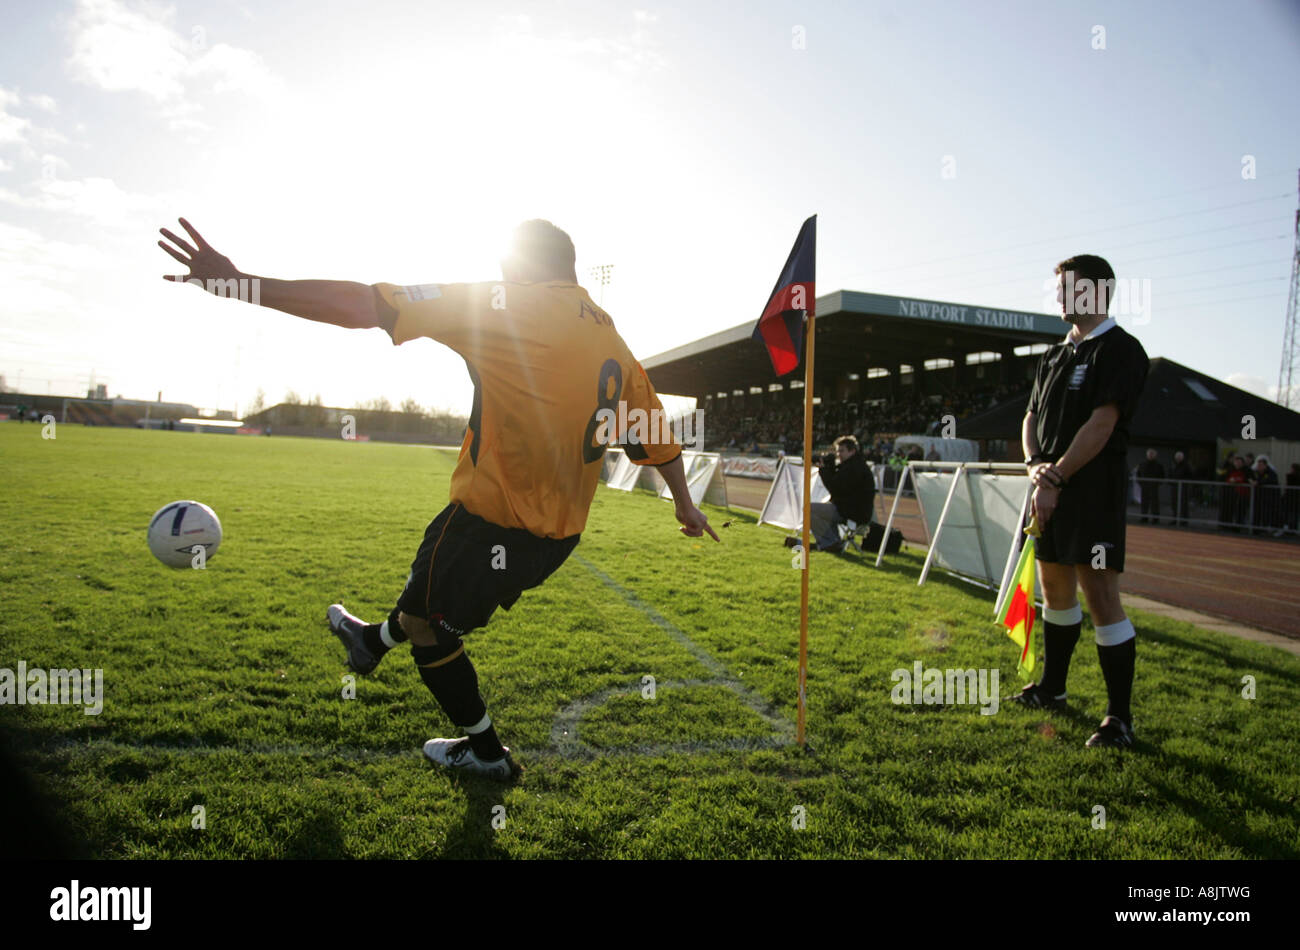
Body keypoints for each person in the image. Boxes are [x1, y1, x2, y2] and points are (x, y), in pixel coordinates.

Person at [158, 216, 719, 780]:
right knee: (426, 597)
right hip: (559, 535)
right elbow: (654, 432)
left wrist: (241, 283)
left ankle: (486, 753)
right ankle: (370, 643)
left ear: (517, 269)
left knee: (430, 626)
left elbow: (365, 304)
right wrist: (684, 503)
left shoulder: (507, 305)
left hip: (490, 519)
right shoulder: (611, 339)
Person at [1010, 254, 1149, 749]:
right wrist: (1034, 469)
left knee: (1101, 595)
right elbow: (1030, 419)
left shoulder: (1122, 350)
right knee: (1055, 589)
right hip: (1047, 490)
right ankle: (1054, 689)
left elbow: (1102, 424)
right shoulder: (1053, 355)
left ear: (1096, 292)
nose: (1060, 297)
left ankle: (1119, 719)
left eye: (1069, 288)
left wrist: (1057, 477)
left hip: (1090, 494)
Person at [801, 434, 876, 552]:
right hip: (850, 509)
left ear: (852, 451)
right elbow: (838, 487)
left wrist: (824, 470)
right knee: (817, 510)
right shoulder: (853, 465)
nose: (838, 455)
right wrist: (829, 468)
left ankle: (830, 543)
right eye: (837, 451)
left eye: (841, 451)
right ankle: (832, 542)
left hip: (852, 512)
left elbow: (835, 488)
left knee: (808, 509)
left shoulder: (854, 468)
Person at [1252, 455, 1280, 535]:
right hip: (1259, 497)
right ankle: (1256, 529)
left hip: (1269, 497)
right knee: (1258, 512)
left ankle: (1265, 529)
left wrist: (1258, 483)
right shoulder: (1257, 473)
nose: (1259, 466)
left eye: (1261, 465)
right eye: (1258, 465)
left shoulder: (1271, 472)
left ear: (1265, 465)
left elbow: (1270, 480)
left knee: (1266, 513)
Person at [1136, 448, 1164, 524]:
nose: (1151, 456)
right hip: (1144, 487)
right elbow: (1138, 474)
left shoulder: (1159, 466)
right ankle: (1144, 517)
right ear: (1147, 455)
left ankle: (1155, 518)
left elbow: (1162, 476)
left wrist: (1157, 484)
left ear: (1155, 455)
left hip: (1154, 487)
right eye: (1149, 454)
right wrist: (1141, 483)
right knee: (1144, 502)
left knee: (1154, 503)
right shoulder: (1142, 464)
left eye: (1152, 454)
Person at [1170, 450, 1192, 526]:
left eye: (1179, 457)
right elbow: (1170, 474)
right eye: (1177, 457)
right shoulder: (1173, 465)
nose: (1178, 459)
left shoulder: (1186, 466)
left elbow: (1190, 475)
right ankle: (1175, 519)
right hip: (1175, 487)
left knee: (1183, 504)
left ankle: (1184, 520)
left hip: (1183, 488)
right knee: (1174, 504)